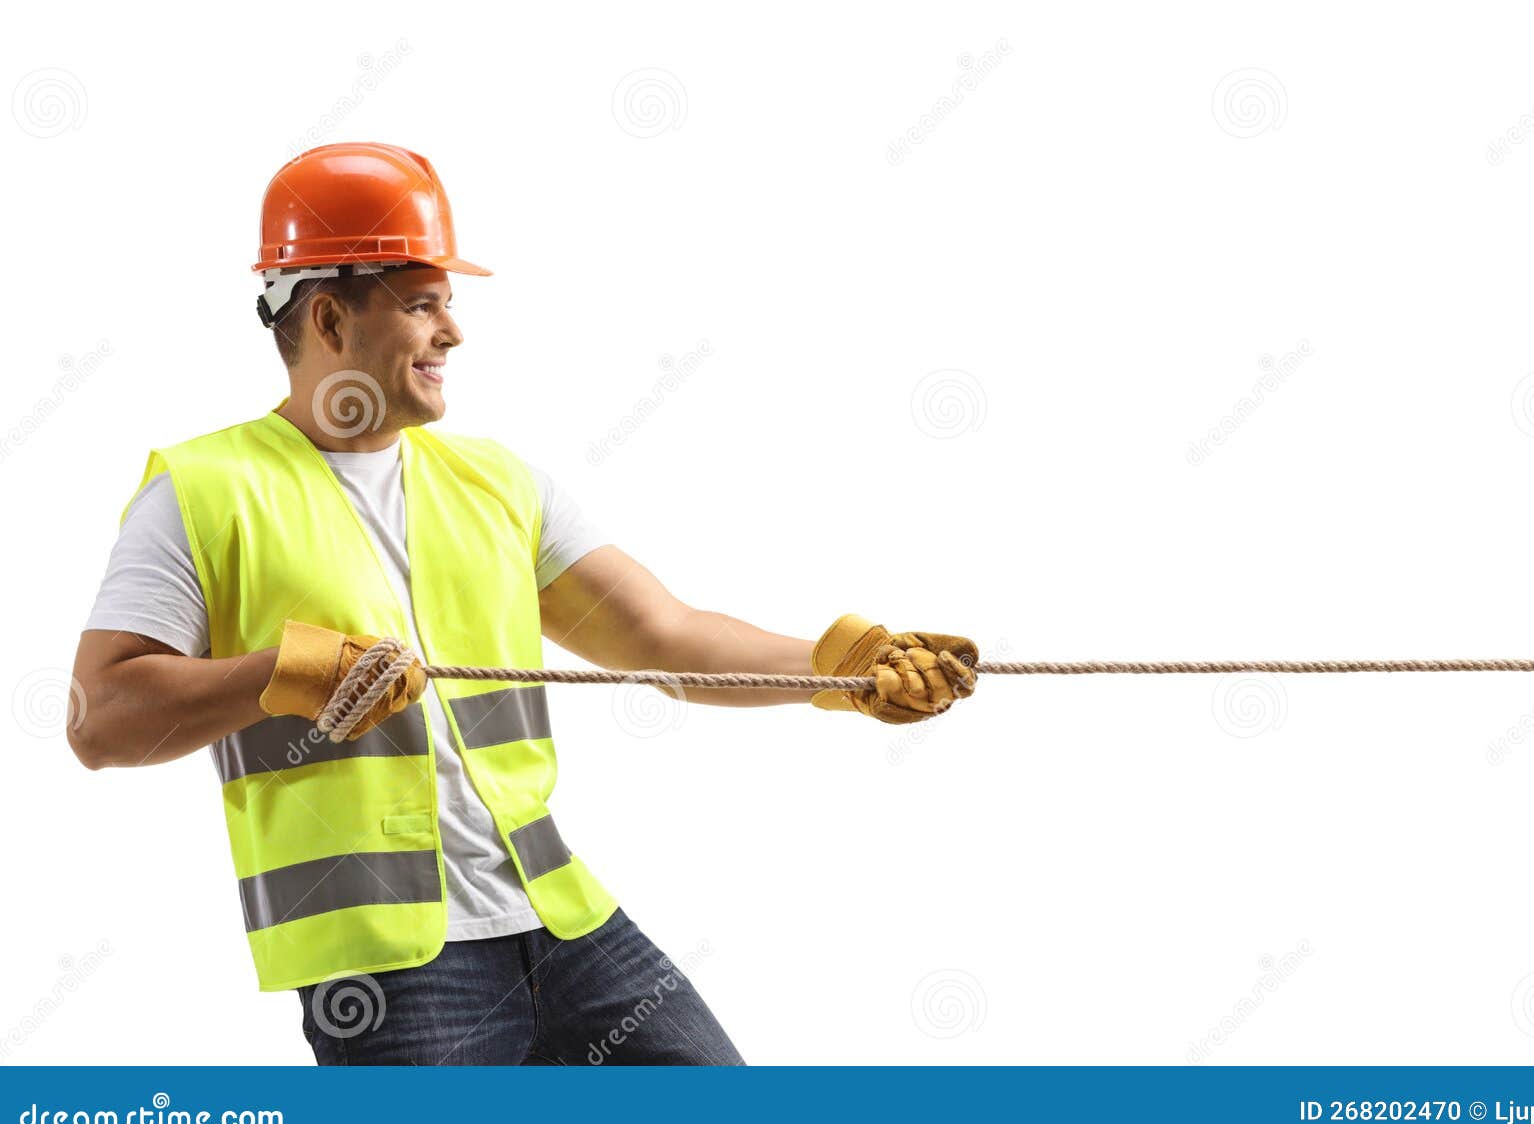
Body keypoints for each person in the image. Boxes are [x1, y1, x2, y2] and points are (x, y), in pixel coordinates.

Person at [65, 142, 980, 1066]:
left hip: (561, 920)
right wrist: (283, 674)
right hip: (386, 967)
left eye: (447, 304)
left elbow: (663, 636)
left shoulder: (497, 485)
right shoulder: (203, 492)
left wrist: (841, 671)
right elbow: (100, 718)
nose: (453, 333)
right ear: (331, 318)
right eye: (422, 304)